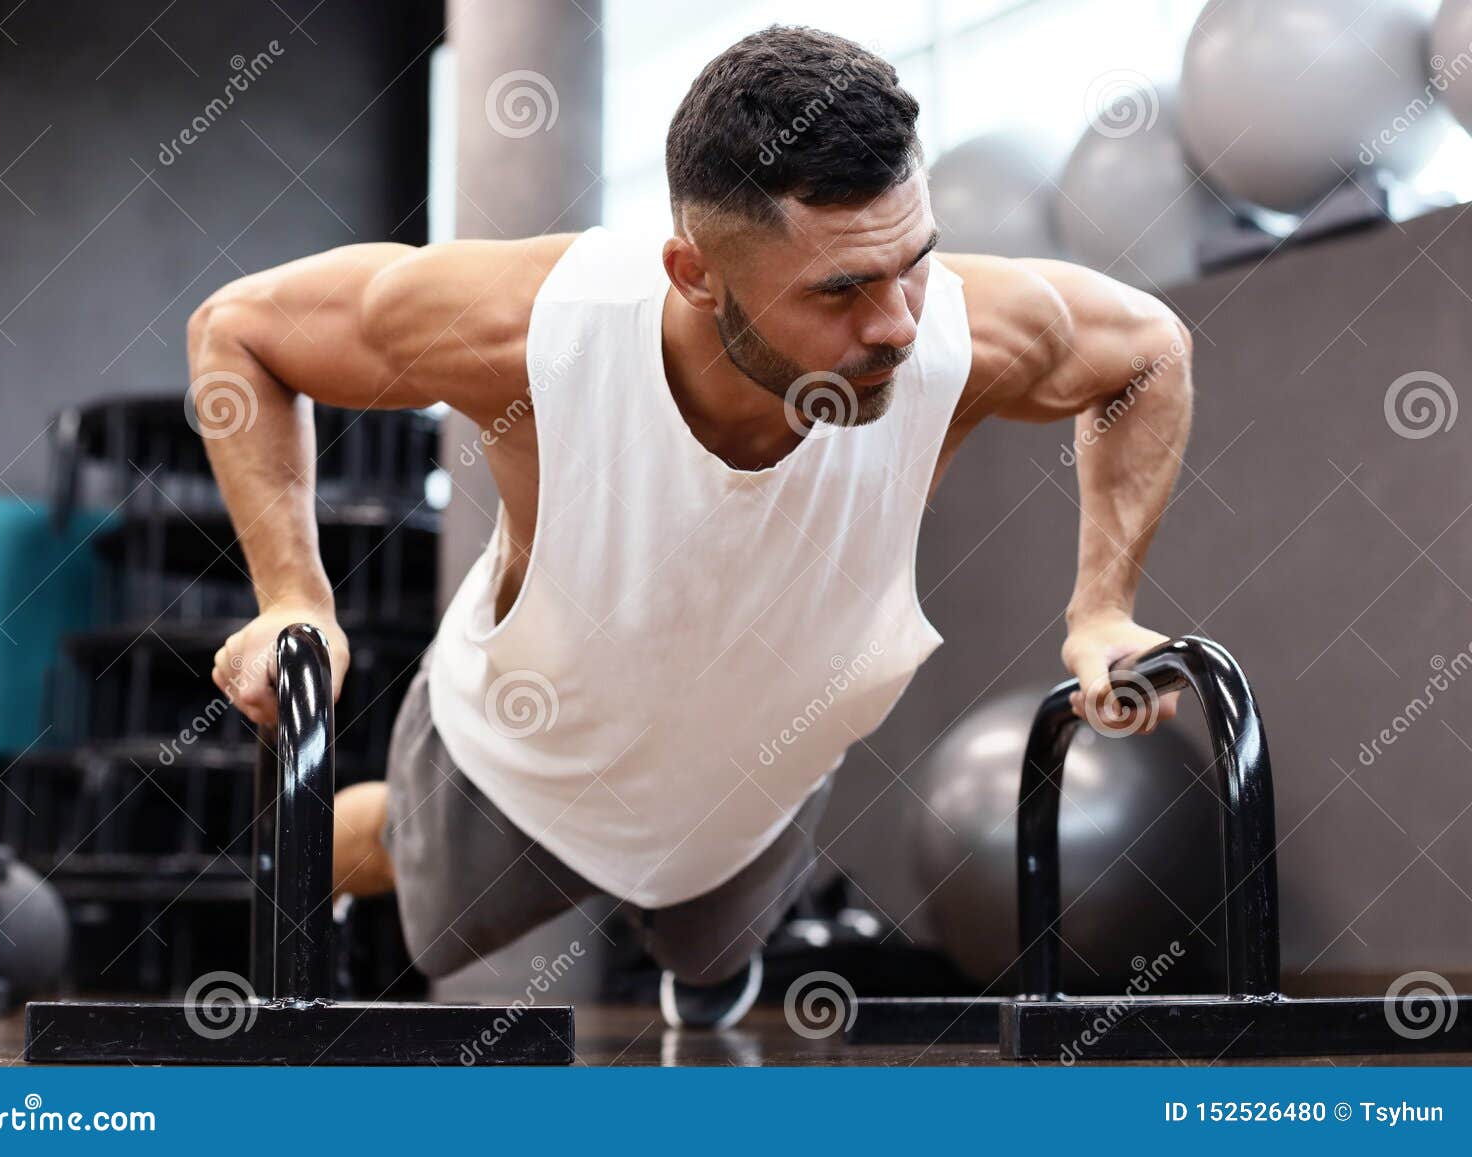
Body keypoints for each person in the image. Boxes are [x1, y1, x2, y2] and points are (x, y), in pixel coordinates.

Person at [190, 25, 1190, 1030]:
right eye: (839, 290)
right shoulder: (533, 324)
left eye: (912, 262)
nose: (894, 323)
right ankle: (293, 878)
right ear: (693, 271)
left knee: (713, 954)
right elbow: (240, 330)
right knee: (424, 886)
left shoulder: (960, 335)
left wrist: (1102, 612)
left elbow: (1148, 351)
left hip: (753, 771)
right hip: (535, 751)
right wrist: (293, 596)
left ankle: (704, 966)